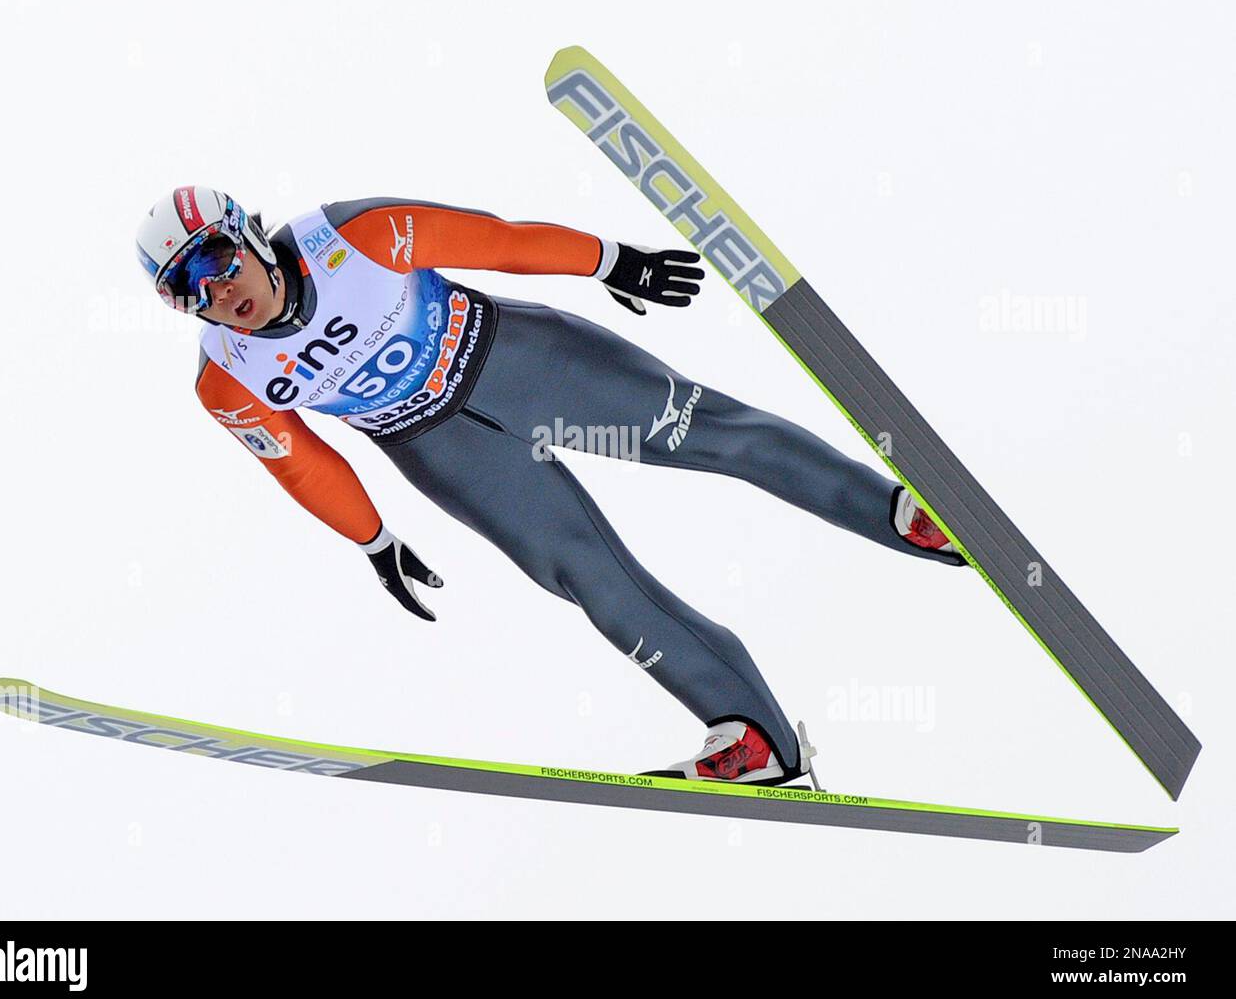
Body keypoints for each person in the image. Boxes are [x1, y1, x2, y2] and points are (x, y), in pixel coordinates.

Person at [136, 186, 962, 786]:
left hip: (527, 365)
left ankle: (900, 513)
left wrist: (611, 260)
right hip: (447, 450)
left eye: (212, 259)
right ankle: (756, 739)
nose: (217, 294)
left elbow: (493, 242)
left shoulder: (350, 235)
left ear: (244, 229)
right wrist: (374, 539)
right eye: (188, 292)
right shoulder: (226, 381)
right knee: (590, 581)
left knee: (715, 438)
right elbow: (303, 462)